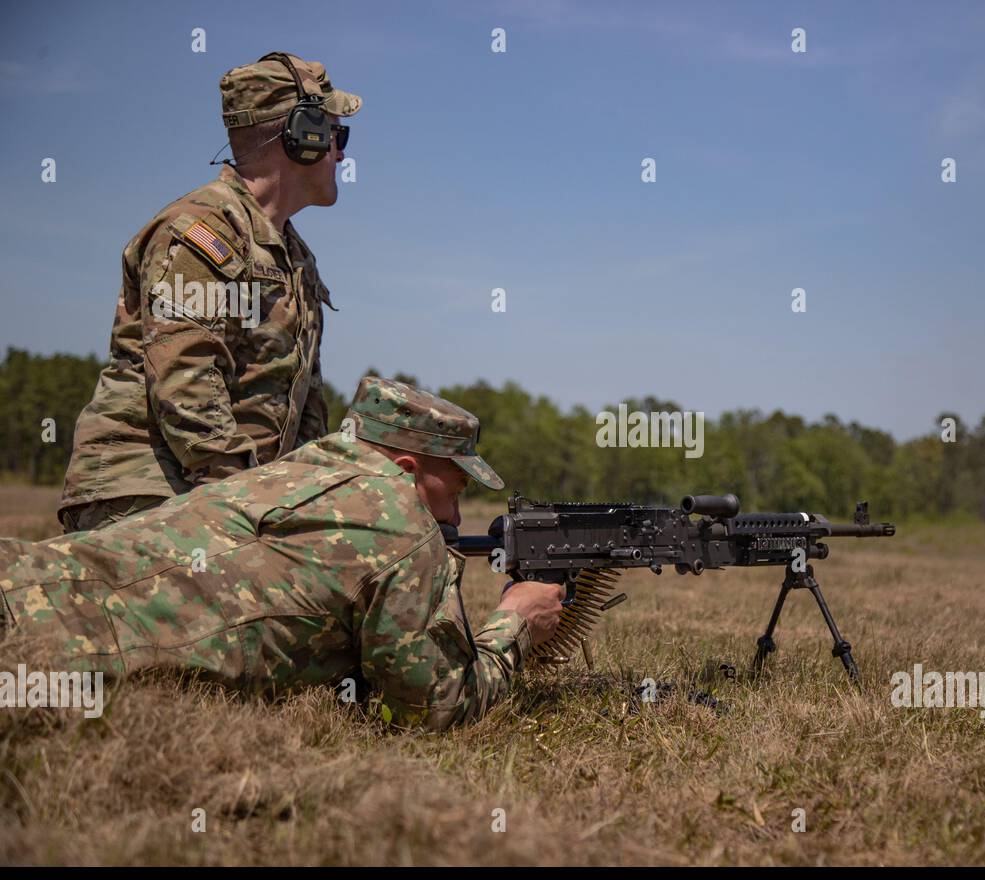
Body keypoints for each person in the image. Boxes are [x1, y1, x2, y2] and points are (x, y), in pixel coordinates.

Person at [1, 378, 564, 732]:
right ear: (406, 470)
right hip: (44, 661)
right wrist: (516, 621)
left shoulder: (294, 471)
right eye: (456, 490)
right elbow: (435, 707)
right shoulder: (396, 517)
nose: (457, 517)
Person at [58, 52, 362, 533]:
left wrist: (303, 502)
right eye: (336, 134)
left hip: (225, 497)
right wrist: (245, 505)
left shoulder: (291, 253)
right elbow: (187, 379)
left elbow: (305, 406)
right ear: (302, 135)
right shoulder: (201, 230)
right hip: (152, 495)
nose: (342, 153)